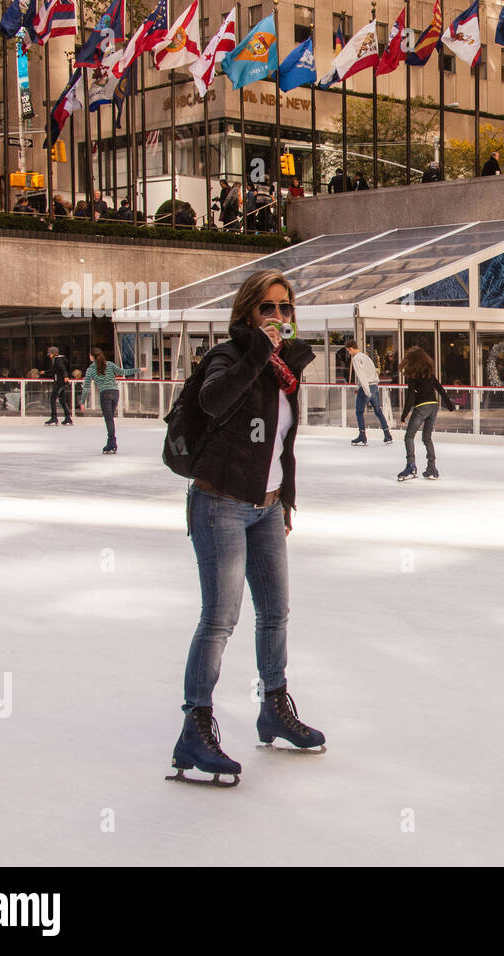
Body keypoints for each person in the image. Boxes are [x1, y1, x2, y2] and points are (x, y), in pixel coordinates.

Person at [170, 269, 324, 785]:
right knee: (220, 618)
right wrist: (258, 350)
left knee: (276, 613)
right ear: (247, 313)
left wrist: (286, 503)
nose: (278, 318)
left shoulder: (285, 372)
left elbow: (283, 445)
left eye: (285, 308)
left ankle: (273, 708)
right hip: (221, 505)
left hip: (266, 508)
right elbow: (214, 401)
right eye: (268, 308)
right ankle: (195, 726)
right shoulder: (229, 357)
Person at [397, 346, 455, 481]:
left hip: (421, 408)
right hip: (433, 407)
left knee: (409, 437)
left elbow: (410, 396)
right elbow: (440, 389)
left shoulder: (412, 375)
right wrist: (450, 406)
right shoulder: (429, 373)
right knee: (427, 438)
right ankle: (432, 467)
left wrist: (404, 415)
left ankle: (411, 465)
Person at [81, 348, 137, 454]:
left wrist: (82, 401)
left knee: (109, 419)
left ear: (92, 357)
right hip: (115, 392)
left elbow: (86, 387)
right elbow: (123, 372)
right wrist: (138, 369)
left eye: (90, 355)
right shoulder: (110, 364)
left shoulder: (90, 370)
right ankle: (111, 442)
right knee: (110, 418)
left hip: (105, 394)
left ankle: (111, 442)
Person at [344, 339, 393, 446]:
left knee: (359, 411)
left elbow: (362, 376)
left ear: (351, 349)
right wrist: (374, 386)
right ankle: (387, 434)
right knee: (378, 411)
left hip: (366, 387)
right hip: (374, 386)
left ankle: (362, 435)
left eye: (348, 351)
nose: (349, 353)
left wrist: (366, 391)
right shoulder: (366, 357)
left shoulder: (356, 359)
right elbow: (374, 371)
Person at [42, 346, 74, 425]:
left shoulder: (57, 360)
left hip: (59, 383)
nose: (49, 356)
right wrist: (45, 372)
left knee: (53, 398)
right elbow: (56, 370)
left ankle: (54, 417)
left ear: (53, 354)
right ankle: (68, 417)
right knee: (62, 400)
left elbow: (62, 368)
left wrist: (65, 376)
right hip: (63, 382)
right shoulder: (62, 359)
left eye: (50, 354)